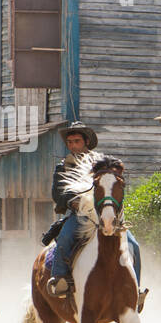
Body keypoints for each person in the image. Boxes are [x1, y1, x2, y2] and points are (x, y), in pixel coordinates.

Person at [46, 121, 146, 311]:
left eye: (76, 141)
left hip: (106, 215)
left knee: (134, 246)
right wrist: (72, 202)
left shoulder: (102, 165)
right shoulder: (63, 168)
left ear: (86, 142)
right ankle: (59, 279)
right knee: (65, 238)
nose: (73, 145)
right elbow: (57, 194)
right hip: (81, 216)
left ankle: (136, 290)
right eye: (70, 142)